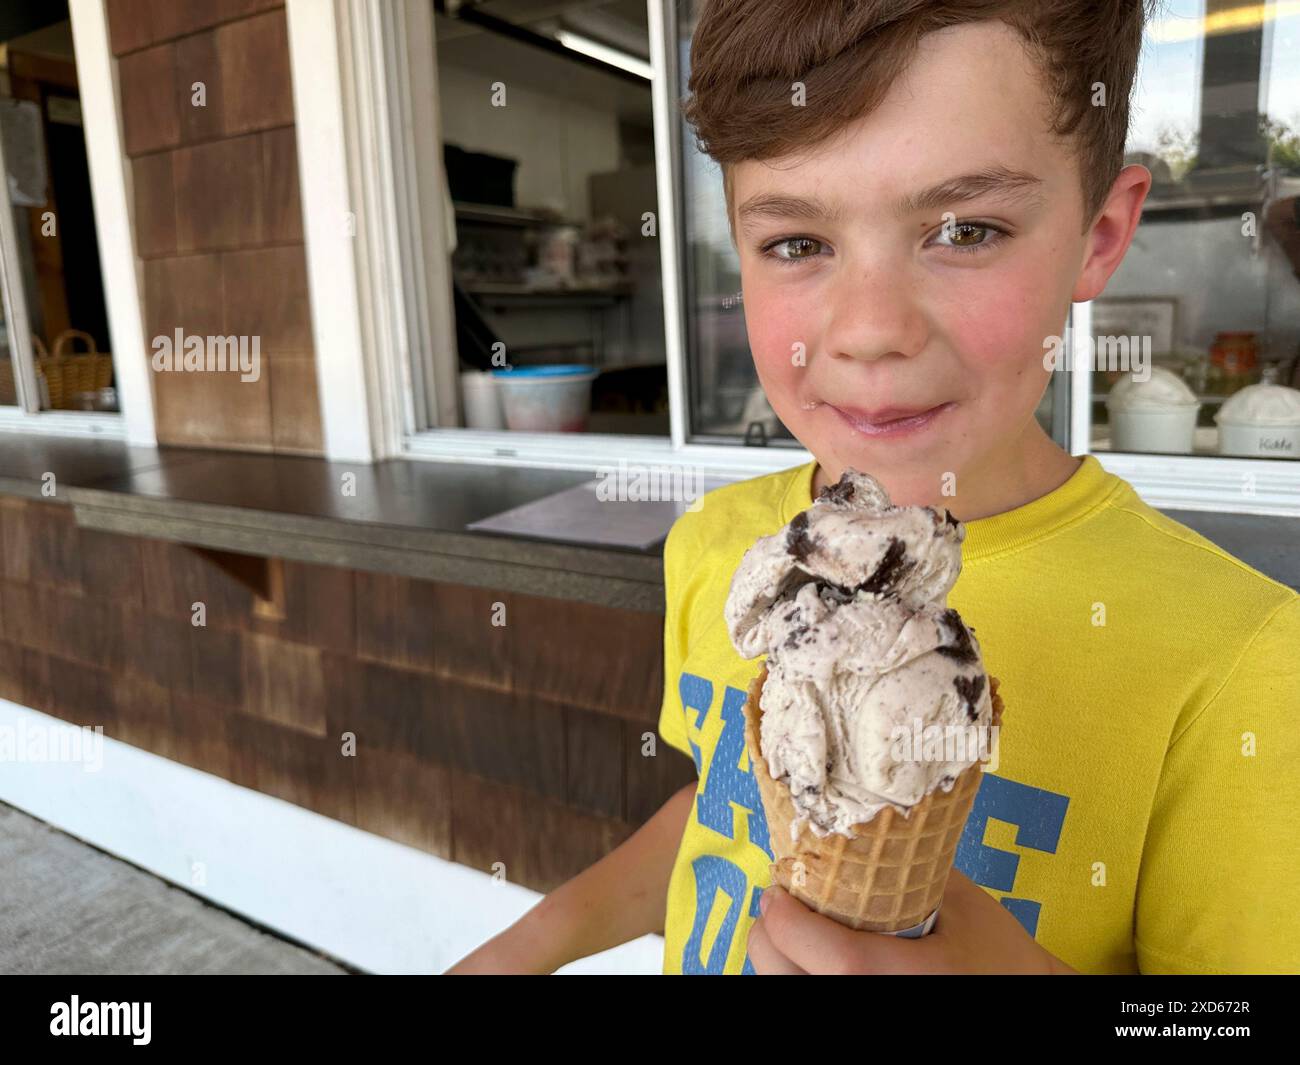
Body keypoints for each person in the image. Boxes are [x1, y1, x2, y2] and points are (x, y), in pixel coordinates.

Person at [446, 0, 1300, 975]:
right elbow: (718, 815)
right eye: (797, 245)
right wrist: (529, 943)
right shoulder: (722, 547)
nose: (868, 330)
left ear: (1098, 236)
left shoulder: (1246, 666)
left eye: (965, 230)